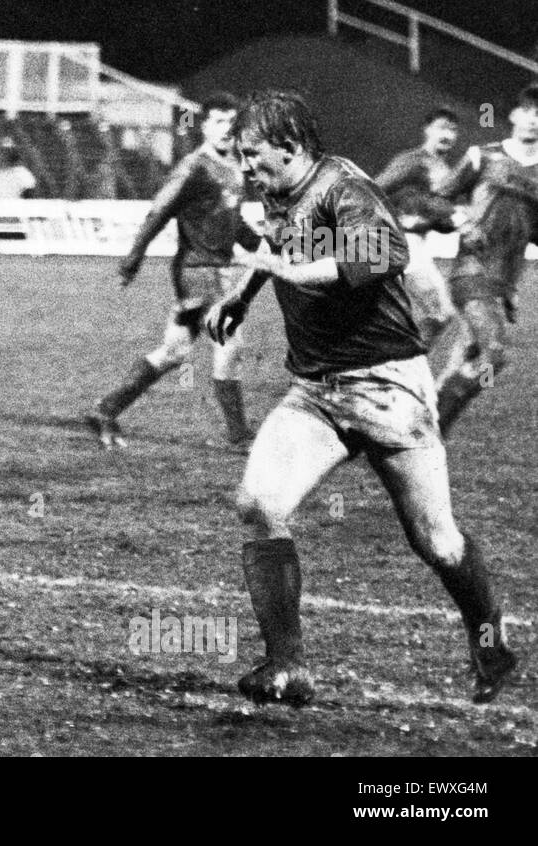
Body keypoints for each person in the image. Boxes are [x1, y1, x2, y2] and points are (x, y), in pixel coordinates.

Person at [203, 90, 516, 707]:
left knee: (437, 540)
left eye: (251, 154)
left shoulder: (345, 186)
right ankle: (286, 665)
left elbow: (384, 254)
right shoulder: (276, 189)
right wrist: (243, 292)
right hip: (316, 391)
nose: (243, 167)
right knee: (259, 503)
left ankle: (489, 642)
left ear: (290, 147)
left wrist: (293, 273)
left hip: (388, 388)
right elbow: (276, 246)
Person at [87, 93, 261, 452]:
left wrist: (262, 244)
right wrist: (133, 257)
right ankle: (240, 435)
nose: (227, 129)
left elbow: (233, 217)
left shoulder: (236, 166)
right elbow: (159, 211)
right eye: (218, 121)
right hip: (197, 270)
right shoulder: (194, 166)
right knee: (231, 343)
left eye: (232, 121)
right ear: (204, 126)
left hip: (216, 269)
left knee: (174, 352)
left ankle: (107, 409)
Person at [427, 84, 538, 436]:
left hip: (503, 282)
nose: (535, 121)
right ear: (514, 115)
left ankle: (425, 413)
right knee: (495, 353)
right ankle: (434, 426)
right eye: (529, 112)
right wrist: (460, 220)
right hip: (470, 272)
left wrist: (512, 286)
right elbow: (436, 199)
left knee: (471, 354)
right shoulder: (483, 156)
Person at [372, 107, 460, 346]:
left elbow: (436, 216)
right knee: (440, 311)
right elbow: (375, 189)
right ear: (427, 129)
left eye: (453, 129)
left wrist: (447, 222)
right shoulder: (413, 161)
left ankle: (397, 364)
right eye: (441, 127)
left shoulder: (445, 170)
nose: (447, 134)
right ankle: (401, 366)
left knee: (440, 312)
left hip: (414, 245)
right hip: (399, 243)